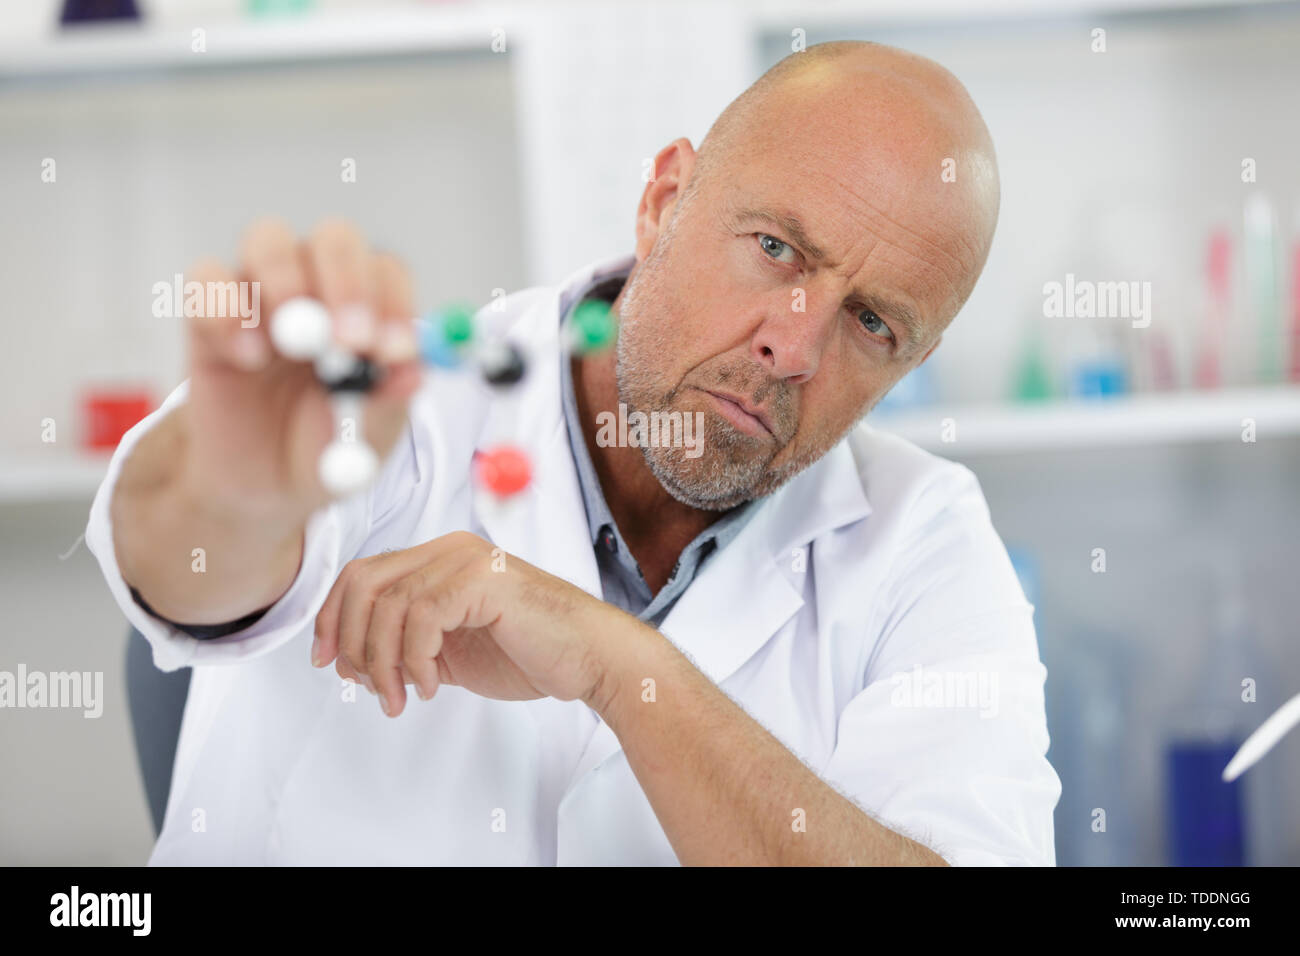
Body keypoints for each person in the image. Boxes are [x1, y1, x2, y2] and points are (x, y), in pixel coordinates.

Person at [87, 40, 1060, 865]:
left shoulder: (923, 536)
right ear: (664, 199)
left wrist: (616, 664)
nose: (793, 347)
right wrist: (235, 487)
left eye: (871, 322)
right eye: (774, 248)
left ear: (913, 360)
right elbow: (189, 563)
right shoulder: (407, 396)